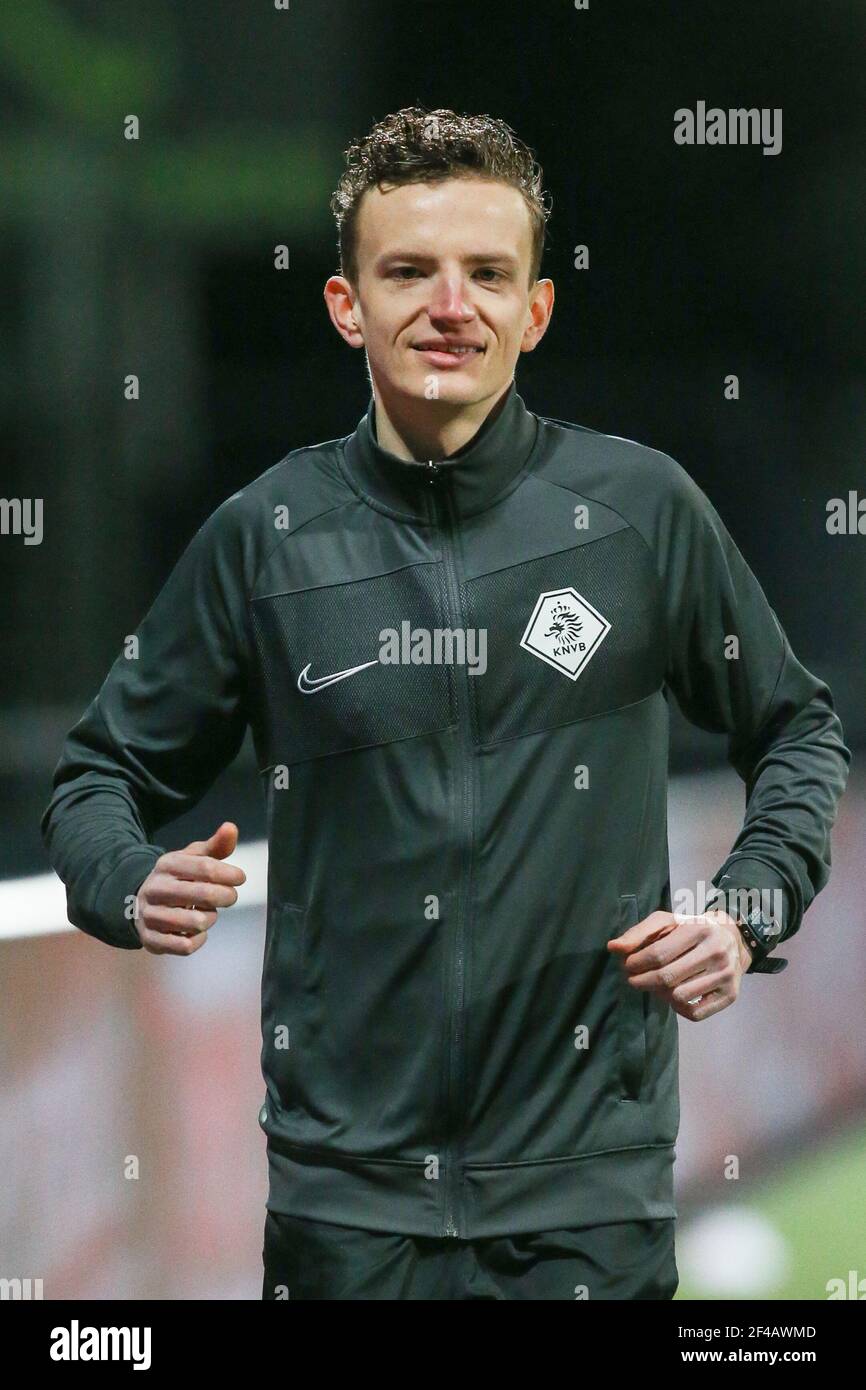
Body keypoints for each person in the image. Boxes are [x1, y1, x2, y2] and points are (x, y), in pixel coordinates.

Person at [42, 106, 850, 1301]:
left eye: (487, 273)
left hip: (588, 1204)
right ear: (345, 305)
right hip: (346, 1214)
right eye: (407, 270)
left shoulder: (640, 513)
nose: (449, 304)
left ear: (534, 310)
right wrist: (126, 876)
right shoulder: (265, 541)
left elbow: (795, 726)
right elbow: (96, 778)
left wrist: (744, 908)